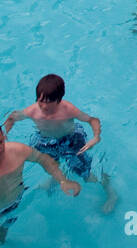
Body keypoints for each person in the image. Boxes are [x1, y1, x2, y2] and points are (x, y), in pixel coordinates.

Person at [3, 74, 115, 212]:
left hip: (71, 140)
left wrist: (96, 136)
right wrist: (5, 134)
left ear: (58, 100)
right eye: (40, 101)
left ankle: (111, 193)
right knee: (50, 164)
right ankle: (57, 180)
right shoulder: (33, 111)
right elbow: (12, 117)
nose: (43, 106)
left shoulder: (68, 109)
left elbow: (92, 120)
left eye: (48, 102)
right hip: (46, 141)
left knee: (87, 175)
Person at [0, 125, 79, 248]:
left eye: (0, 142)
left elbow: (44, 159)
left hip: (15, 203)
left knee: (3, 232)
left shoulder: (17, 150)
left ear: (4, 137)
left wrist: (63, 181)